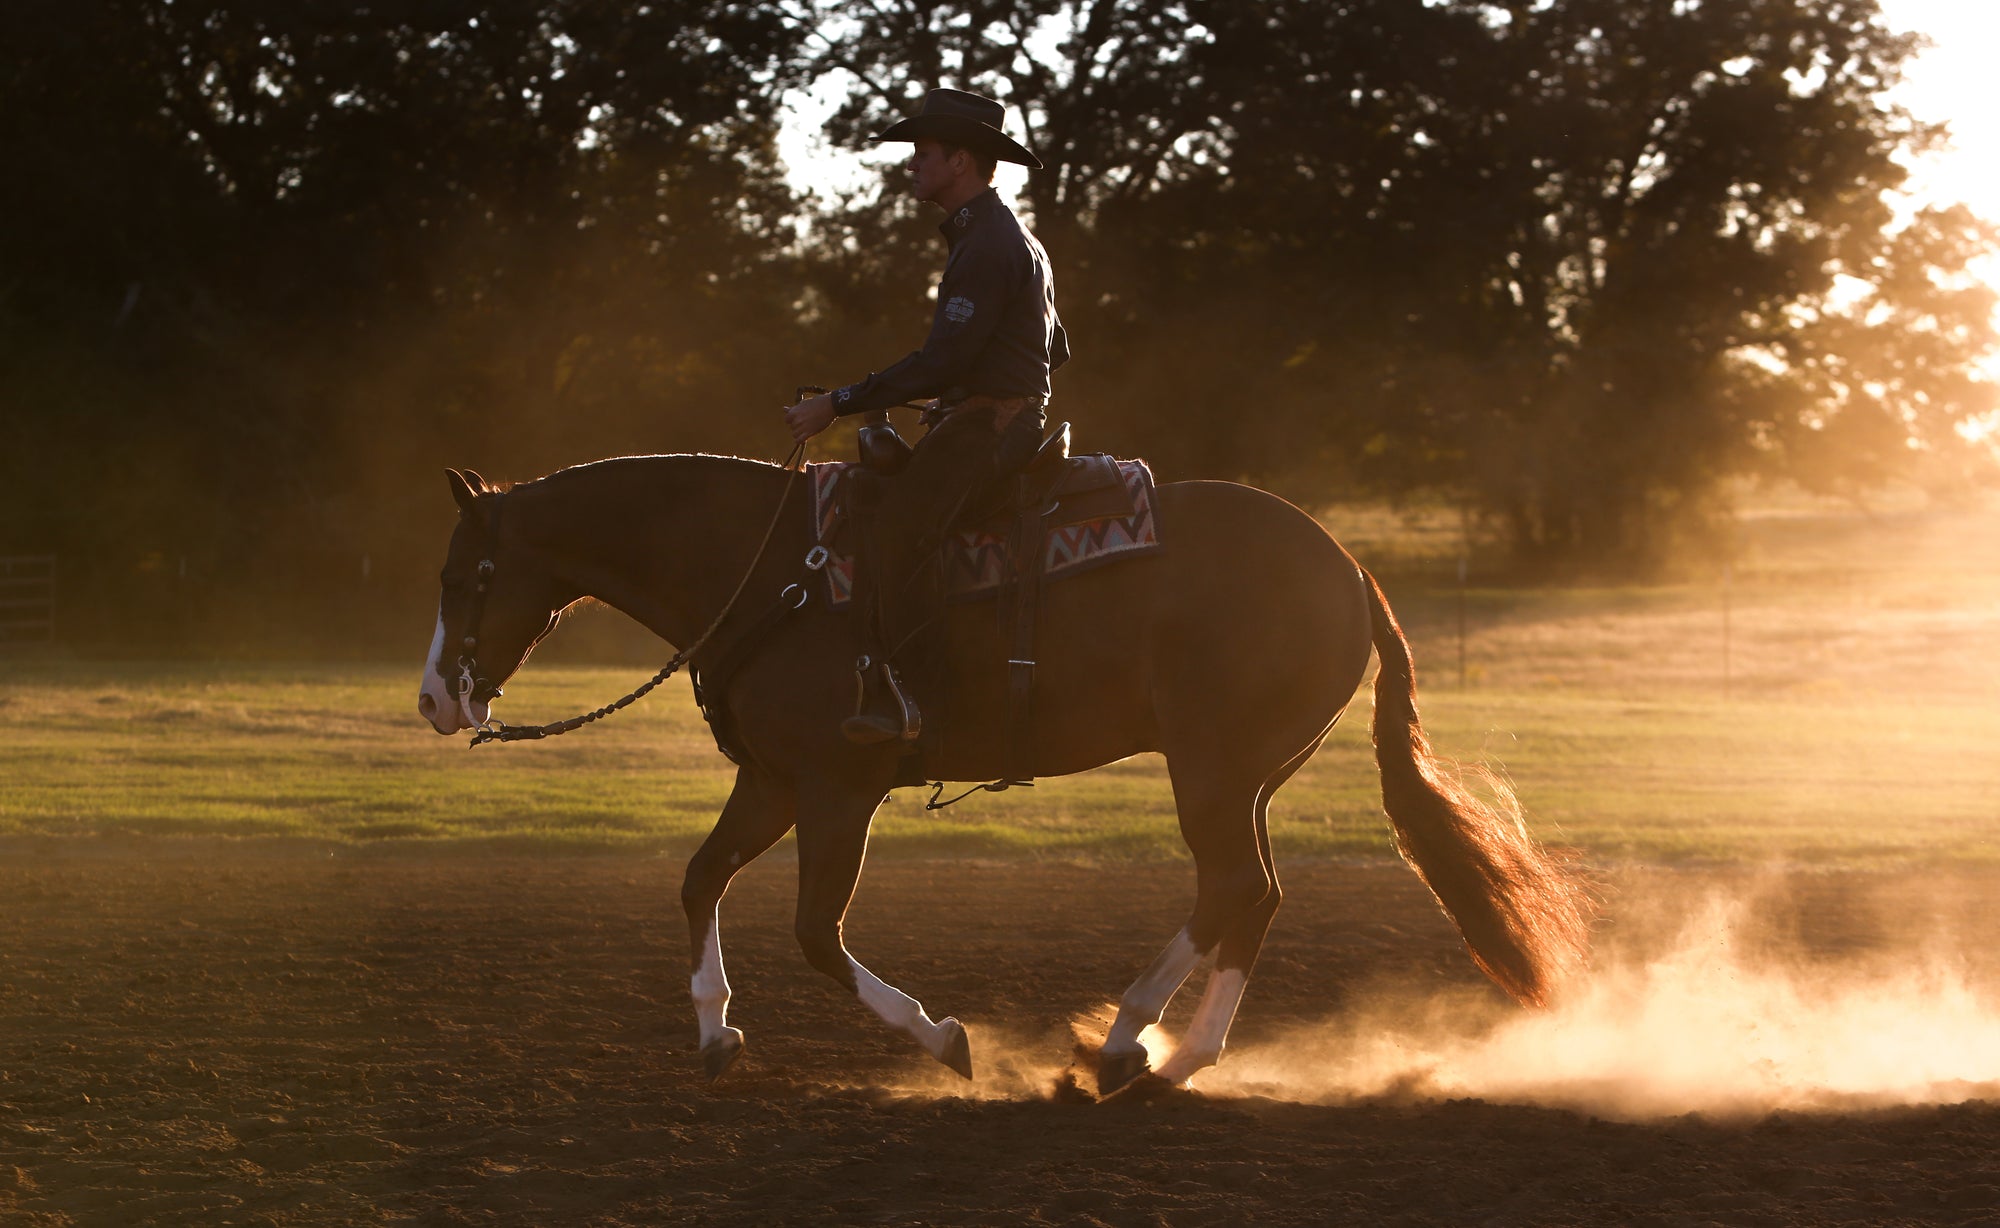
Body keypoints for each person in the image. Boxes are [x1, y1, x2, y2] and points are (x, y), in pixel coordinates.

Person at [785, 87, 1070, 746]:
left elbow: (942, 360)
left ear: (960, 161)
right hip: (993, 416)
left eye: (923, 153)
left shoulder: (989, 243)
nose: (911, 164)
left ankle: (919, 699)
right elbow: (1054, 346)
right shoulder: (1003, 237)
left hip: (990, 426)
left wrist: (837, 403)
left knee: (898, 528)